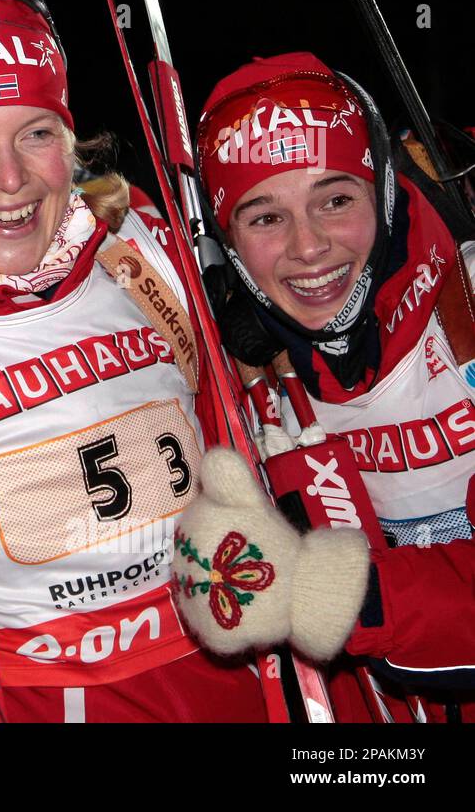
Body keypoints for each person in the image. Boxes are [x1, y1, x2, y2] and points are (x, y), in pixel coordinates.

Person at [0, 0, 271, 721]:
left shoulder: (141, 245)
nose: (11, 178)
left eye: (36, 133)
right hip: (43, 697)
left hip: (222, 672)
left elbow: (238, 420)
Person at [173, 52, 475, 721]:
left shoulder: (467, 306)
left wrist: (342, 591)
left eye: (335, 198)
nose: (308, 247)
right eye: (265, 217)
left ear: (385, 193)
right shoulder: (247, 380)